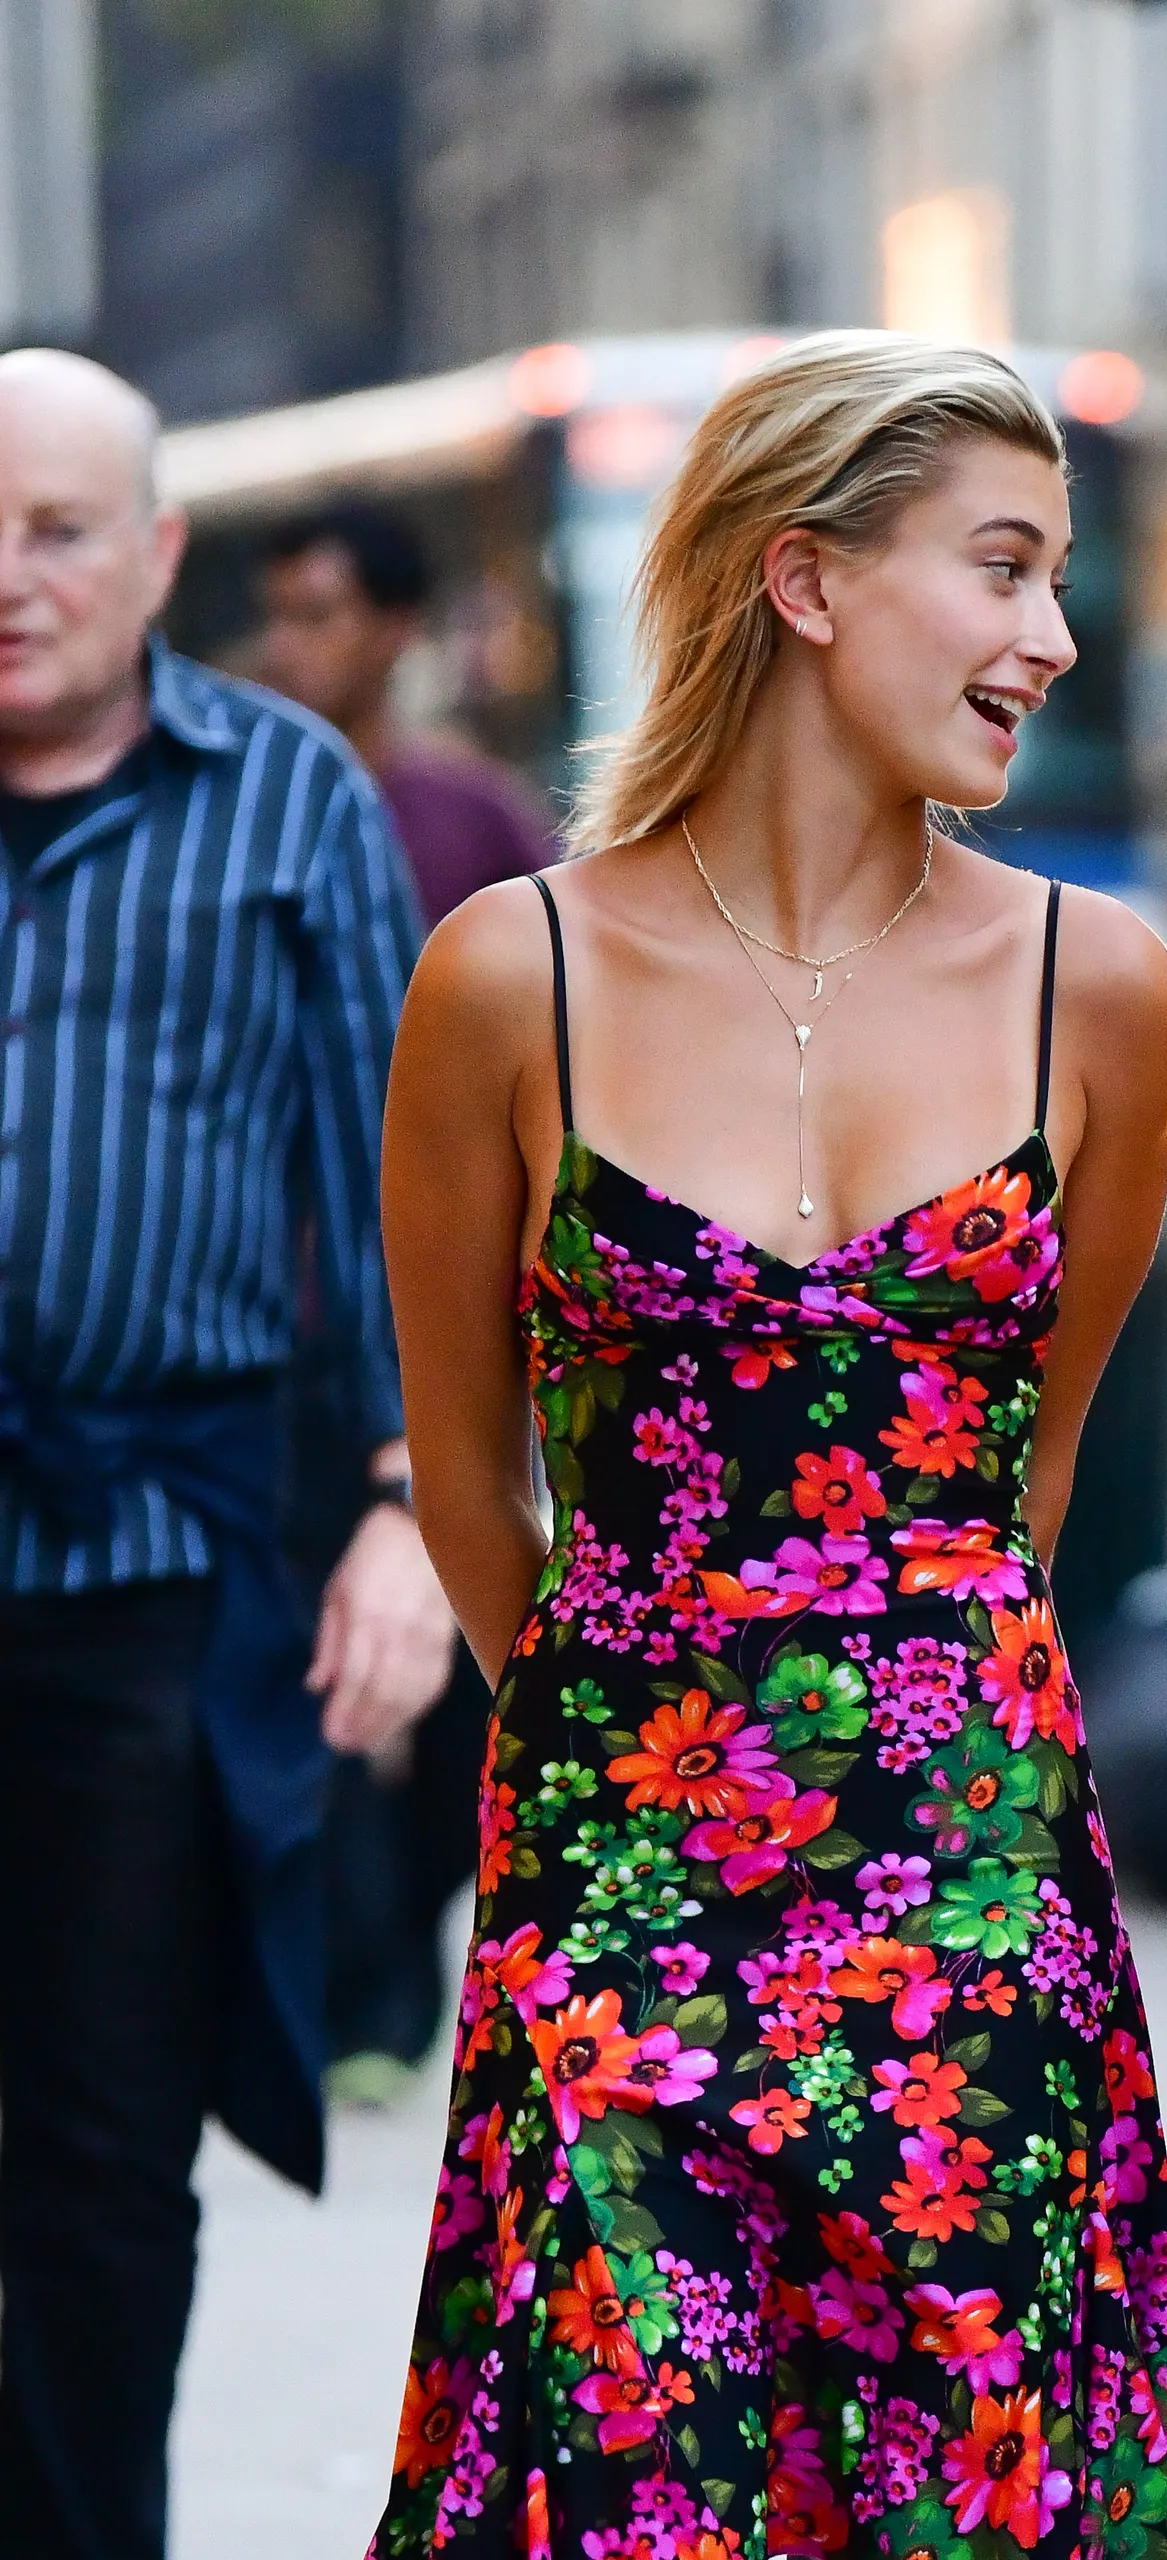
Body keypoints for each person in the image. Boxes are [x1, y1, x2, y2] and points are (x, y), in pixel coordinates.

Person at [368, 331, 1167, 2559]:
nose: (1052, 636)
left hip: (970, 1872)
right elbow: (468, 1480)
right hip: (613, 1870)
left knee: (971, 2469)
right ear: (802, 578)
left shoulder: (1099, 987)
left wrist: (920, 1726)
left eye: (1056, 577)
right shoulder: (506, 977)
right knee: (626, 2472)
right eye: (1002, 566)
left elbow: (1033, 1474)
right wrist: (617, 1750)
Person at [0, 346, 455, 2560]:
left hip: (149, 1571)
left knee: (101, 2146)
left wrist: (407, 1504)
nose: (12, 578)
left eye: (58, 531)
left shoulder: (287, 802)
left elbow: (399, 1181)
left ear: (157, 554)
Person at [255, 501, 553, 2103]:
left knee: (460, 1688)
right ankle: (350, 1991)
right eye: (282, 611)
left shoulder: (470, 818)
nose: (294, 643)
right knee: (308, 1666)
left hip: (461, 1315)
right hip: (280, 1325)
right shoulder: (238, 806)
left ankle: (402, 1948)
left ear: (394, 626)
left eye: (324, 611)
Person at [257, 501, 557, 920]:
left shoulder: (476, 816)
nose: (281, 647)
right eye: (275, 617)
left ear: (396, 627)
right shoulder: (245, 815)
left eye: (314, 616)